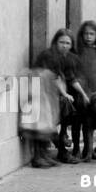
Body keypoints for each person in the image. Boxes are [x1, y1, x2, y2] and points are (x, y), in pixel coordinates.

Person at [22, 34, 70, 168]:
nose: (64, 45)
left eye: (67, 43)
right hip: (39, 94)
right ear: (55, 42)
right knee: (40, 128)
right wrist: (64, 93)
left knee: (46, 127)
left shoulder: (59, 57)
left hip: (45, 95)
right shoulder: (50, 56)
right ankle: (38, 157)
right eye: (62, 42)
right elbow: (53, 77)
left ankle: (44, 155)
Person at [71, 20, 96, 160]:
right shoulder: (76, 52)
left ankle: (88, 149)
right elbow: (71, 70)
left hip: (93, 91)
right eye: (86, 34)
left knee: (88, 122)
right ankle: (75, 148)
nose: (88, 37)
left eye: (92, 34)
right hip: (78, 91)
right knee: (76, 121)